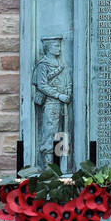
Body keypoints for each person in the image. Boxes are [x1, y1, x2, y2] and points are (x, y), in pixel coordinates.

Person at [33, 35, 71, 165]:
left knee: (61, 132)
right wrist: (59, 95)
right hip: (51, 103)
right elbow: (42, 85)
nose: (59, 48)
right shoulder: (43, 65)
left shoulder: (60, 63)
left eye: (59, 45)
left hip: (62, 103)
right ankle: (48, 164)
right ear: (48, 48)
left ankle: (59, 162)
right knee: (50, 132)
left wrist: (67, 92)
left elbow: (66, 80)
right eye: (56, 46)